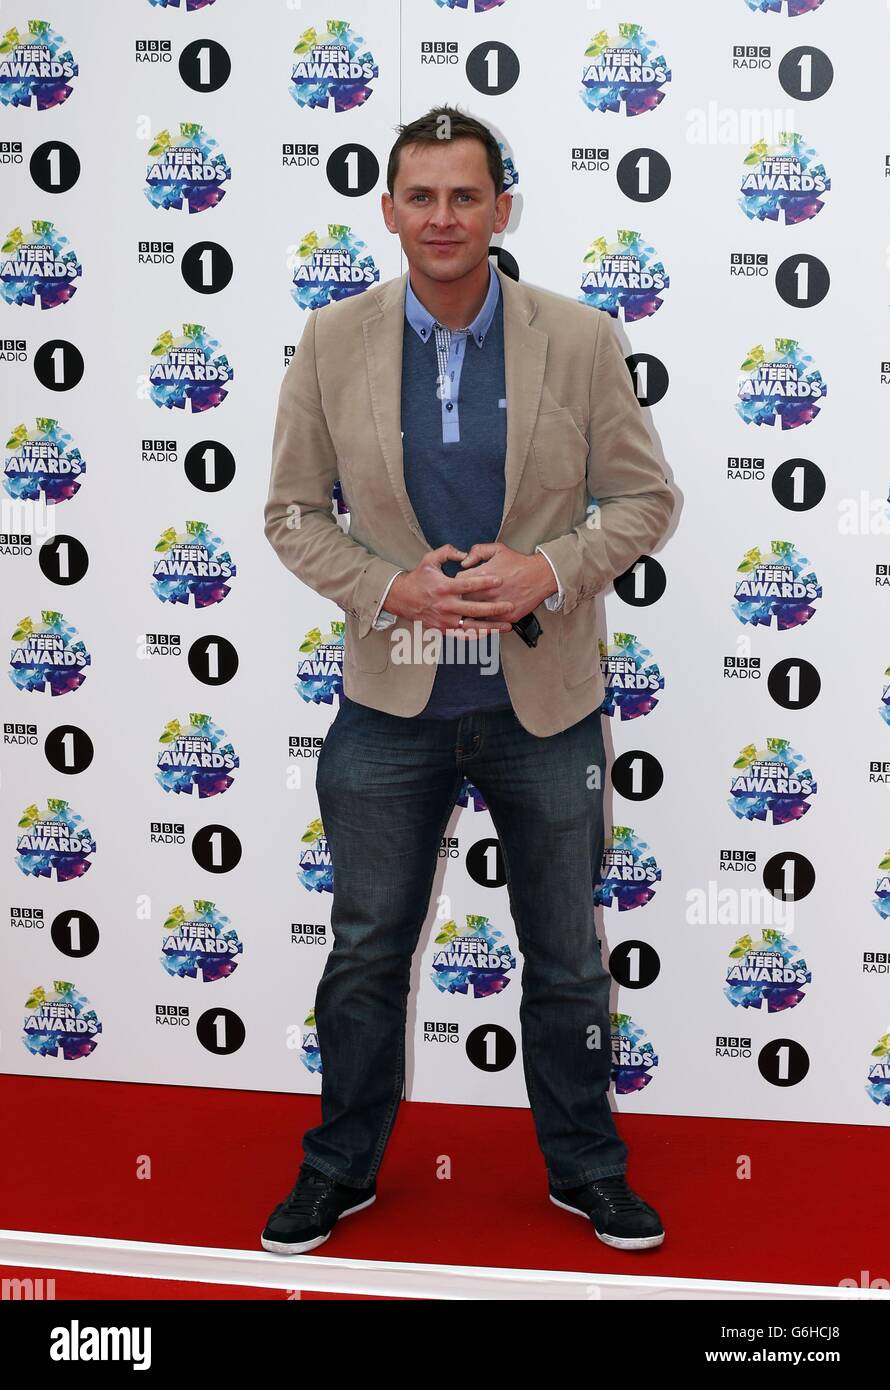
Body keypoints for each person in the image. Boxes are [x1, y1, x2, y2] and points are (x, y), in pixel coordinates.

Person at [261, 105, 675, 1257]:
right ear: (388, 210)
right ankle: (336, 1169)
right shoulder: (328, 337)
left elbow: (644, 501)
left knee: (564, 955)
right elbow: (292, 515)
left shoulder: (580, 337)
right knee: (363, 956)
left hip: (539, 706)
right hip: (389, 703)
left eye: (464, 195)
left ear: (503, 208)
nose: (442, 217)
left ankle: (586, 1169)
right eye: (420, 196)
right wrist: (392, 590)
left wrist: (546, 566)